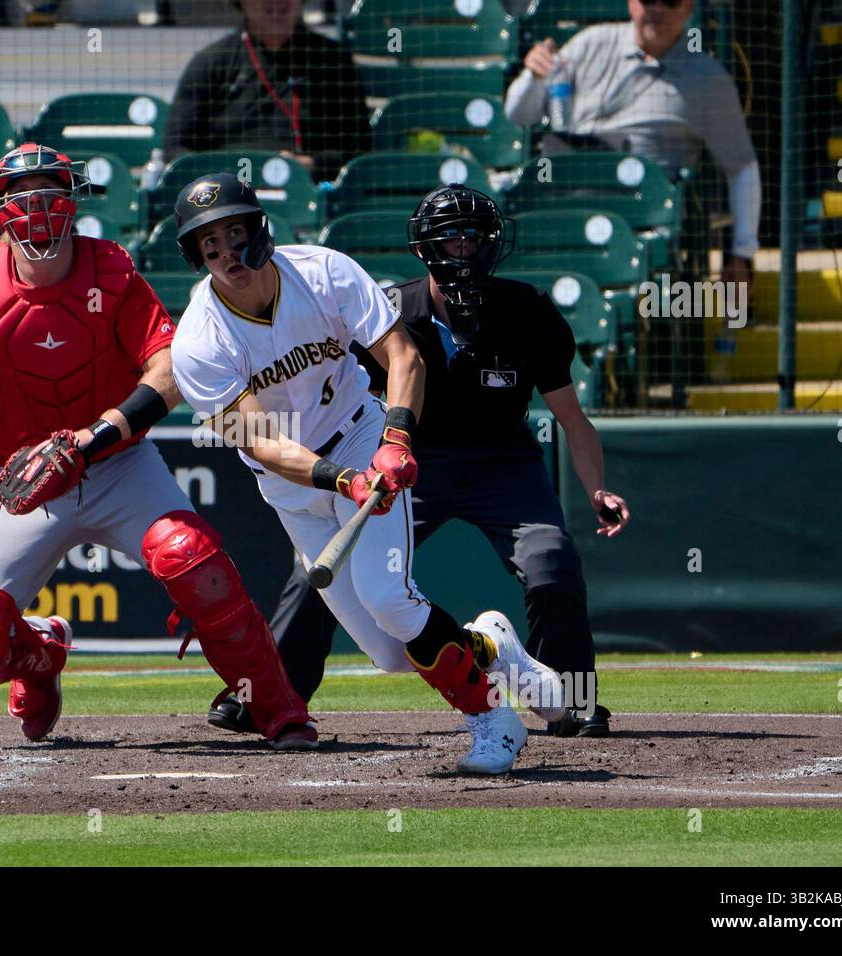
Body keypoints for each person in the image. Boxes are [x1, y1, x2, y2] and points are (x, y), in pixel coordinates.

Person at [0, 143, 317, 750]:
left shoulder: (113, 272)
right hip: (28, 481)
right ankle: (41, 658)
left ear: (73, 198)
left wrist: (97, 433)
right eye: (23, 195)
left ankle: (278, 707)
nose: (38, 206)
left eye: (50, 191)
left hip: (118, 463)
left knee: (196, 565)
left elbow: (169, 370)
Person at [168, 172, 568, 774]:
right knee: (389, 650)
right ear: (196, 256)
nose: (228, 254)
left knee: (391, 599)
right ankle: (492, 645)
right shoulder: (198, 340)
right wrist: (341, 480)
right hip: (296, 482)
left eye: (235, 233)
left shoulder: (323, 271)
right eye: (210, 245)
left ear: (260, 230)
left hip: (359, 433)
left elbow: (403, 357)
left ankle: (493, 720)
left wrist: (396, 437)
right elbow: (264, 443)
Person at [503, 0, 760, 289]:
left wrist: (743, 252)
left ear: (689, 8)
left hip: (639, 216)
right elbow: (519, 115)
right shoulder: (590, 43)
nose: (658, 9)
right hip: (566, 197)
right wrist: (532, 77)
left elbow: (741, 167)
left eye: (671, 1)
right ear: (631, 4)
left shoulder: (709, 78)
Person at [161, 0, 371, 184]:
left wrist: (312, 164)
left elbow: (359, 145)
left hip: (308, 192)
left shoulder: (333, 61)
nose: (276, 2)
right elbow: (175, 147)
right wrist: (222, 176)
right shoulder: (211, 63)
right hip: (230, 198)